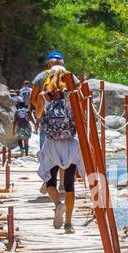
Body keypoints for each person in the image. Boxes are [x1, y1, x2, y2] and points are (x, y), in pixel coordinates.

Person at [36, 66, 83, 233]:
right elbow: (80, 119)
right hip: (70, 145)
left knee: (50, 181)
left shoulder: (43, 96)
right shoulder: (72, 97)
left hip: (51, 146)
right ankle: (69, 223)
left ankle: (57, 204)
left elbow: (38, 115)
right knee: (69, 184)